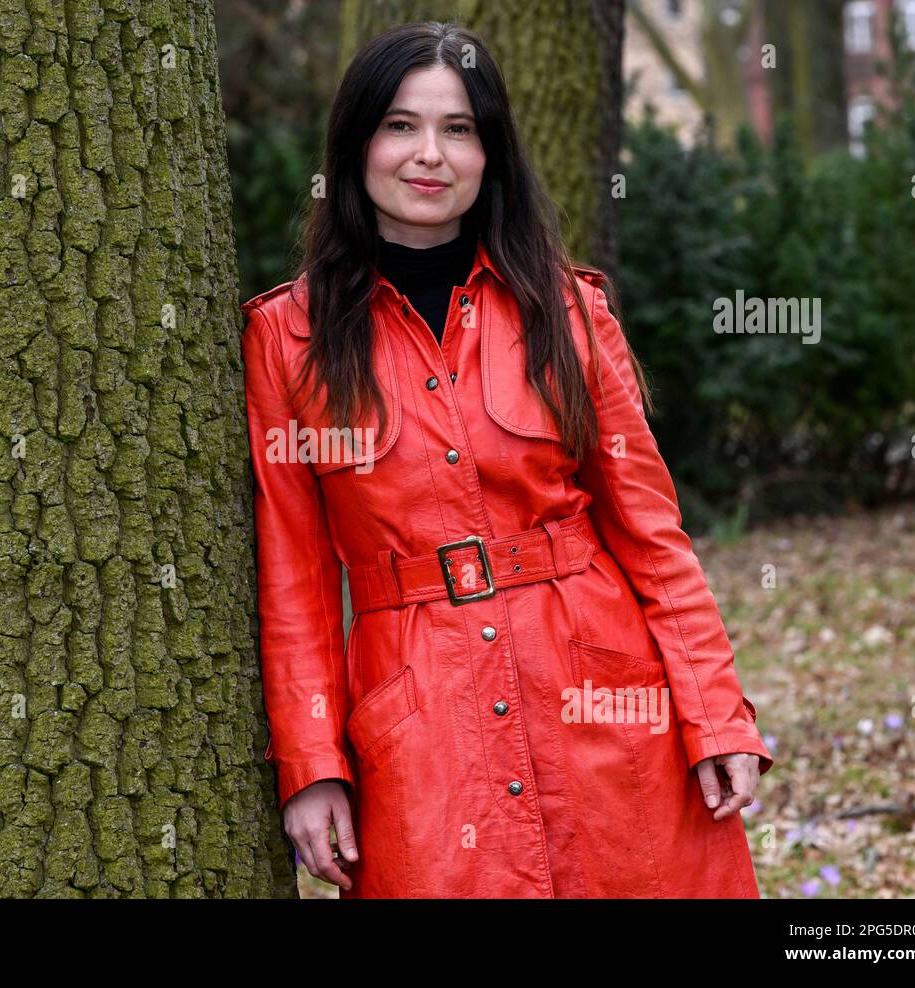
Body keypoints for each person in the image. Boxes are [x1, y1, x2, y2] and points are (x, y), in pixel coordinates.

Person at [240, 21, 772, 898]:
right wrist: (311, 760)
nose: (430, 155)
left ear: (492, 155)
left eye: (460, 130)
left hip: (603, 702)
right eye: (400, 125)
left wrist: (716, 716)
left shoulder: (566, 311)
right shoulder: (286, 337)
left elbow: (651, 533)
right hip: (420, 731)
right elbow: (292, 577)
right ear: (355, 143)